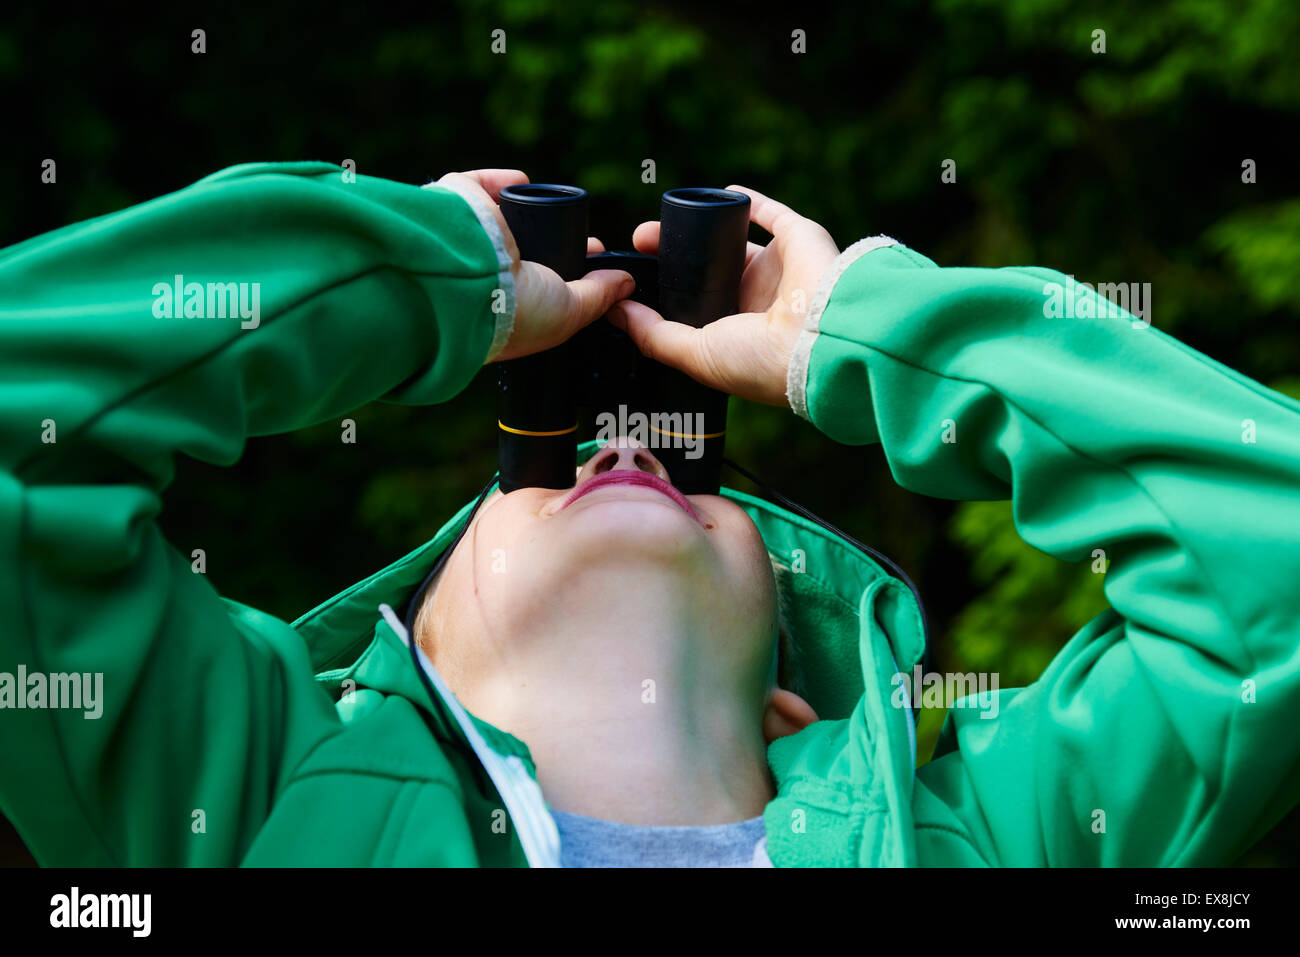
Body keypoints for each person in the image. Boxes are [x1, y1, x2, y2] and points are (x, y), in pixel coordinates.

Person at [1, 162, 1297, 868]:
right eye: (548, 470)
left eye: (693, 476)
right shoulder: (254, 795)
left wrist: (857, 339)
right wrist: (429, 275)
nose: (627, 446)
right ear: (408, 657)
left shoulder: (985, 841)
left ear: (795, 711)